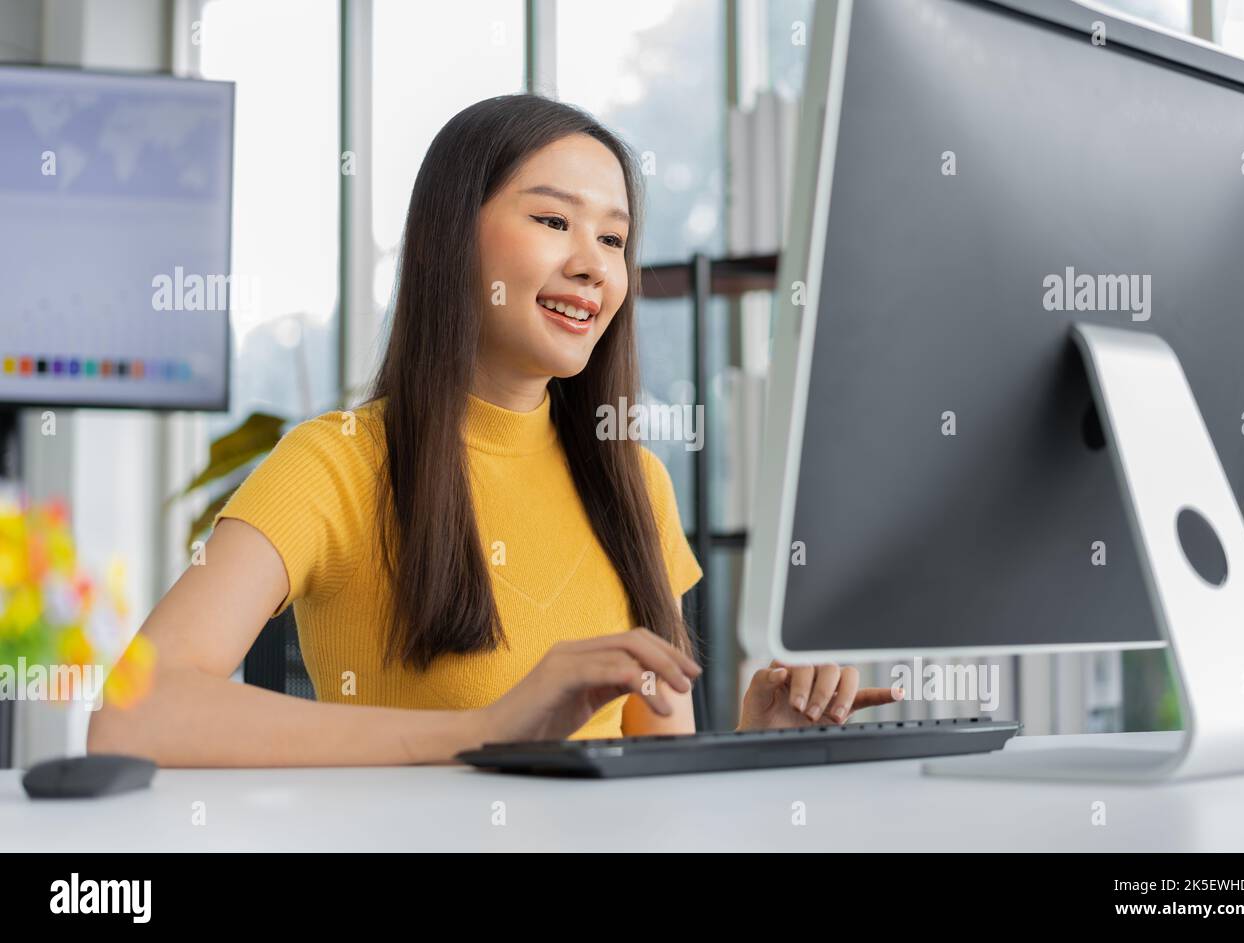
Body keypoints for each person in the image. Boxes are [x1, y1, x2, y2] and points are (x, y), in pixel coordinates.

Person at [88, 94, 899, 767]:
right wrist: (485, 732)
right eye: (553, 220)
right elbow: (133, 714)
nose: (594, 264)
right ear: (449, 239)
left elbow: (656, 787)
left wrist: (760, 742)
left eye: (613, 239)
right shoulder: (334, 464)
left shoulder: (636, 484)